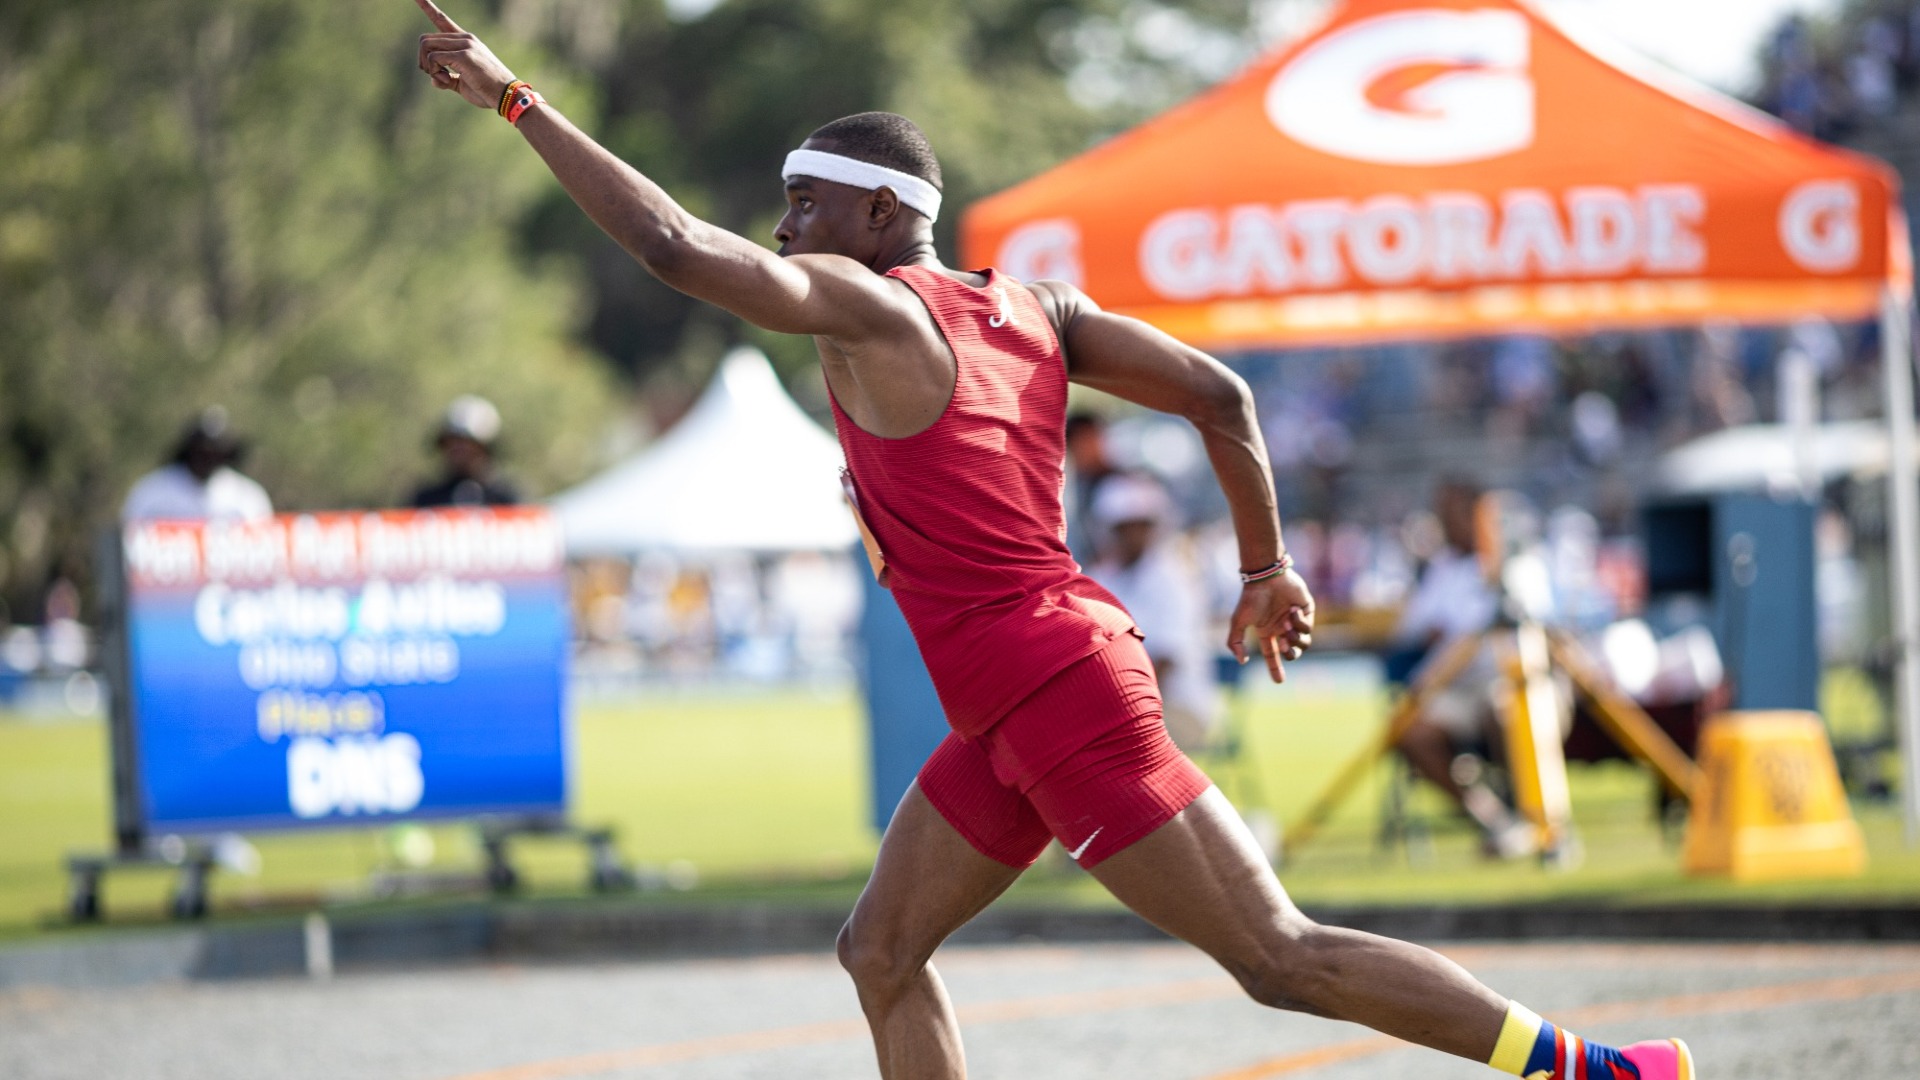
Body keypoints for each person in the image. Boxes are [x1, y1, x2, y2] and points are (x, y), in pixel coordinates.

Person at [408, 6, 1694, 1078]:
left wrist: (517, 98)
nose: (785, 227)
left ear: (874, 218)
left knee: (1280, 958)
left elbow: (674, 245)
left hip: (1058, 690)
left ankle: (1595, 1070)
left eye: (805, 204)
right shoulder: (1038, 306)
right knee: (880, 952)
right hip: (1008, 710)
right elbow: (1222, 399)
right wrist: (1265, 566)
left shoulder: (869, 307)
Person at [1389, 479, 1537, 859]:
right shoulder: (1442, 568)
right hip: (1453, 687)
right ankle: (1489, 816)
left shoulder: (1518, 563)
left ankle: (1530, 814)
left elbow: (1509, 628)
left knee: (1506, 711)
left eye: (1453, 510)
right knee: (1410, 731)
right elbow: (1413, 626)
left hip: (1508, 682)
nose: (1445, 521)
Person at [1085, 473, 1220, 752]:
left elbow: (1164, 661)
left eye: (1142, 526)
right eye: (1126, 527)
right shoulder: (1100, 576)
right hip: (1117, 703)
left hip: (1177, 705)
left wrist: (1111, 704)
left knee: (1091, 748)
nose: (1135, 535)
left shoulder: (1174, 578)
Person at [121, 407, 273, 522]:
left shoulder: (246, 495)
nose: (207, 458)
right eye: (201, 451)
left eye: (216, 452)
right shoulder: (153, 491)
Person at [409, 394, 520, 507]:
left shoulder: (508, 498)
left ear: (484, 447)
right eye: (451, 442)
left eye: (465, 442)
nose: (457, 448)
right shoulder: (426, 500)